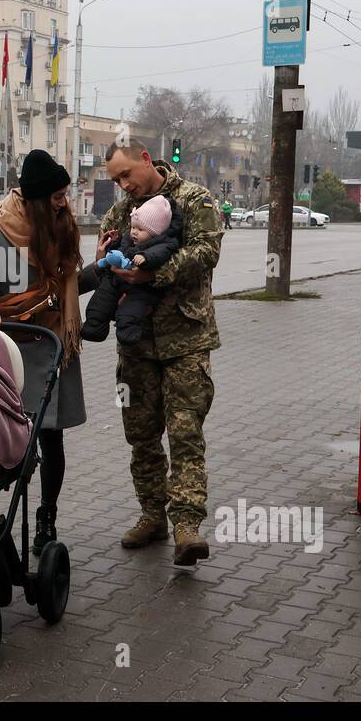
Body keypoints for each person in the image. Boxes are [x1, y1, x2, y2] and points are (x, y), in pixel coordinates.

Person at [0, 149, 99, 556]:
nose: (64, 202)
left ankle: (46, 518)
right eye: (57, 195)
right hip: (10, 349)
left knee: (51, 439)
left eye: (65, 194)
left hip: (54, 345)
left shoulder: (62, 226)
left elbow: (66, 288)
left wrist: (102, 268)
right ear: (37, 198)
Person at [99, 145, 222, 567]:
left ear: (147, 158)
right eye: (117, 180)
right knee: (140, 434)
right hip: (135, 345)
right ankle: (151, 514)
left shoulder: (194, 199)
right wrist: (104, 263)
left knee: (186, 433)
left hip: (186, 338)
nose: (124, 184)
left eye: (127, 174)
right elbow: (107, 260)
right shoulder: (120, 213)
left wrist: (155, 272)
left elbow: (207, 252)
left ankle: (187, 527)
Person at [82, 195, 182, 343]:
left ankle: (128, 334)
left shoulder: (164, 242)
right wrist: (112, 244)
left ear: (155, 232)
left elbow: (160, 253)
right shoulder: (129, 238)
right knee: (100, 301)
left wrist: (145, 257)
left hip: (141, 288)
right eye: (133, 227)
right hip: (117, 280)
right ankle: (93, 327)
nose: (134, 232)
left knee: (130, 312)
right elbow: (119, 251)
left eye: (140, 229)